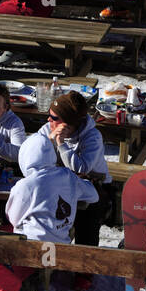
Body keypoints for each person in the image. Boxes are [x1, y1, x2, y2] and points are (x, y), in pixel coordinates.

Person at [0, 134, 99, 291]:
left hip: (34, 249)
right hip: (60, 247)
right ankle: (21, 281)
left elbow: (13, 218)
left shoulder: (26, 185)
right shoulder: (67, 176)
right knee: (6, 239)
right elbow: (93, 196)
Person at [38, 92, 111, 255]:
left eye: (54, 117)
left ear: (69, 124)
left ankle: (84, 271)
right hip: (59, 182)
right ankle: (46, 260)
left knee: (86, 222)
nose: (48, 119)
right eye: (49, 114)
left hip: (94, 184)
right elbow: (34, 157)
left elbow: (82, 167)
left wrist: (61, 144)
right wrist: (48, 142)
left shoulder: (93, 137)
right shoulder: (47, 129)